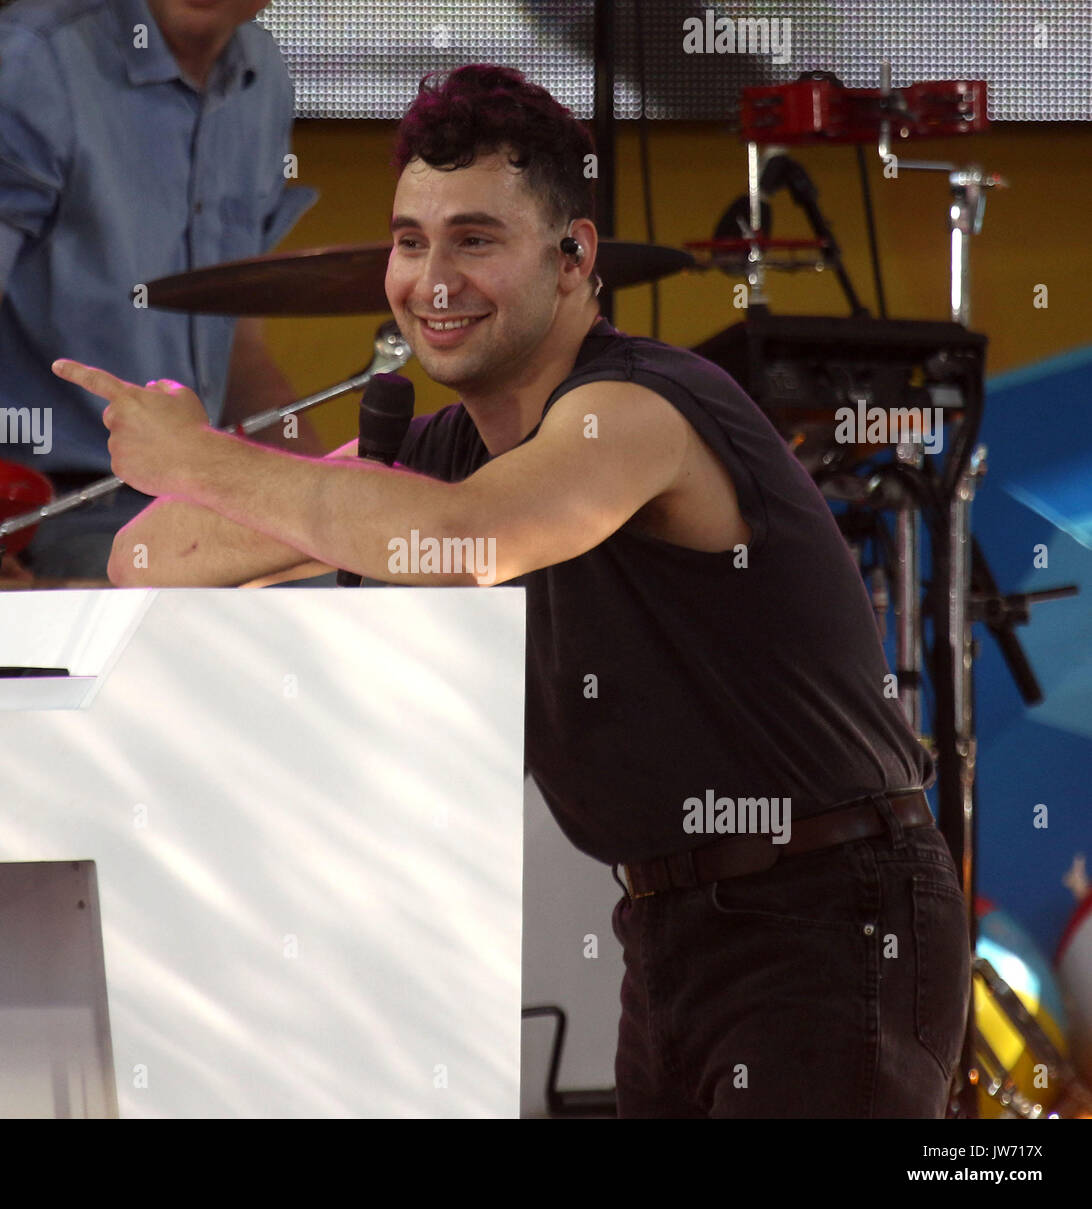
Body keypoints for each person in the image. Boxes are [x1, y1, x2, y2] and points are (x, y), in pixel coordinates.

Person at [52, 64, 972, 1117]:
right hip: (670, 921)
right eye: (410, 241)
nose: (431, 279)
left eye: (474, 240)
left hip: (828, 910)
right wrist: (203, 467)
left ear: (574, 257)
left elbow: (468, 541)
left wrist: (205, 459)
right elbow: (151, 558)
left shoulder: (634, 408)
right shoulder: (450, 450)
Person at [0, 0, 318, 581]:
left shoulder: (262, 74)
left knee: (372, 594)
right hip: (61, 513)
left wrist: (331, 503)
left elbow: (242, 358)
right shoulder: (32, 61)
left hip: (208, 500)